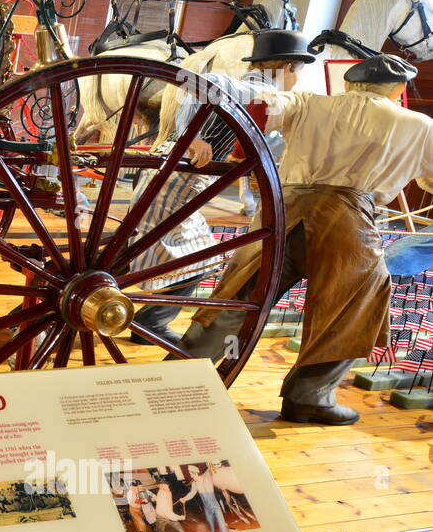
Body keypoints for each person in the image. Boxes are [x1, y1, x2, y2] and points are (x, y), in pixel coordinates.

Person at [180, 53, 427, 424]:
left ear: (348, 83)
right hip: (347, 222)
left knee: (241, 294)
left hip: (284, 211)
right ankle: (308, 397)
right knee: (351, 308)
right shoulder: (419, 125)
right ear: (398, 88)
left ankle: (180, 376)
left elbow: (261, 105)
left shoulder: (311, 102)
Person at [130, 30, 315, 347]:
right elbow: (194, 83)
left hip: (179, 176)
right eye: (298, 72)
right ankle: (151, 323)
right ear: (289, 67)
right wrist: (193, 135)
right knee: (195, 257)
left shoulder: (254, 90)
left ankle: (149, 321)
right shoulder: (257, 90)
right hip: (178, 177)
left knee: (160, 246)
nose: (297, 80)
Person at [178, 464, 227, 532]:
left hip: (216, 507)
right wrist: (184, 498)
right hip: (207, 509)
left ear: (196, 473)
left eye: (192, 474)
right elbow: (191, 493)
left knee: (222, 526)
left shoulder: (206, 477)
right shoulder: (194, 483)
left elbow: (209, 469)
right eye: (190, 474)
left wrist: (210, 463)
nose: (191, 476)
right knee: (211, 528)